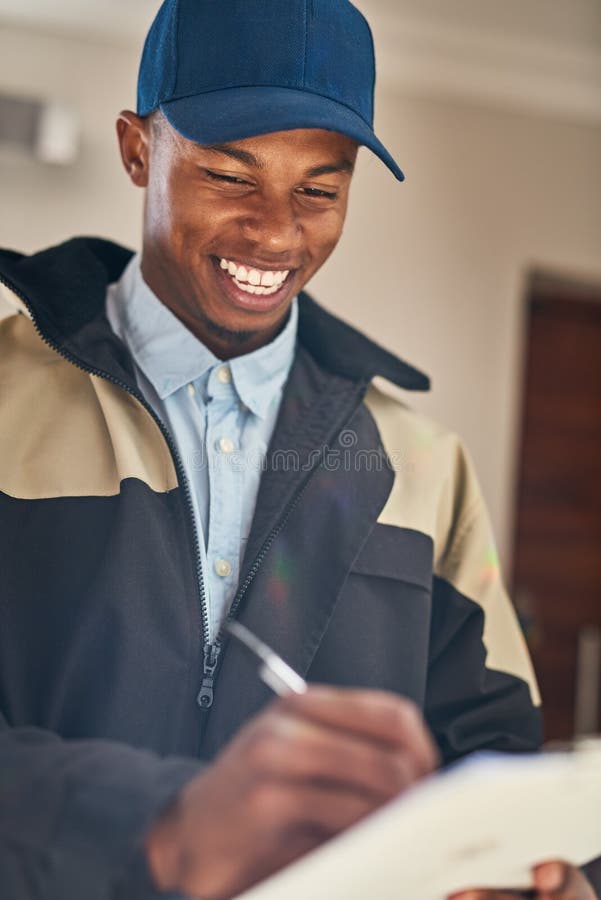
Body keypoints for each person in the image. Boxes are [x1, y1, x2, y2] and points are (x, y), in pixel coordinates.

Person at [0, 1, 597, 898]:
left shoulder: (424, 467)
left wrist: (547, 871)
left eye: (318, 191)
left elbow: (491, 755)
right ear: (137, 150)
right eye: (230, 177)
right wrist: (160, 826)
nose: (276, 233)